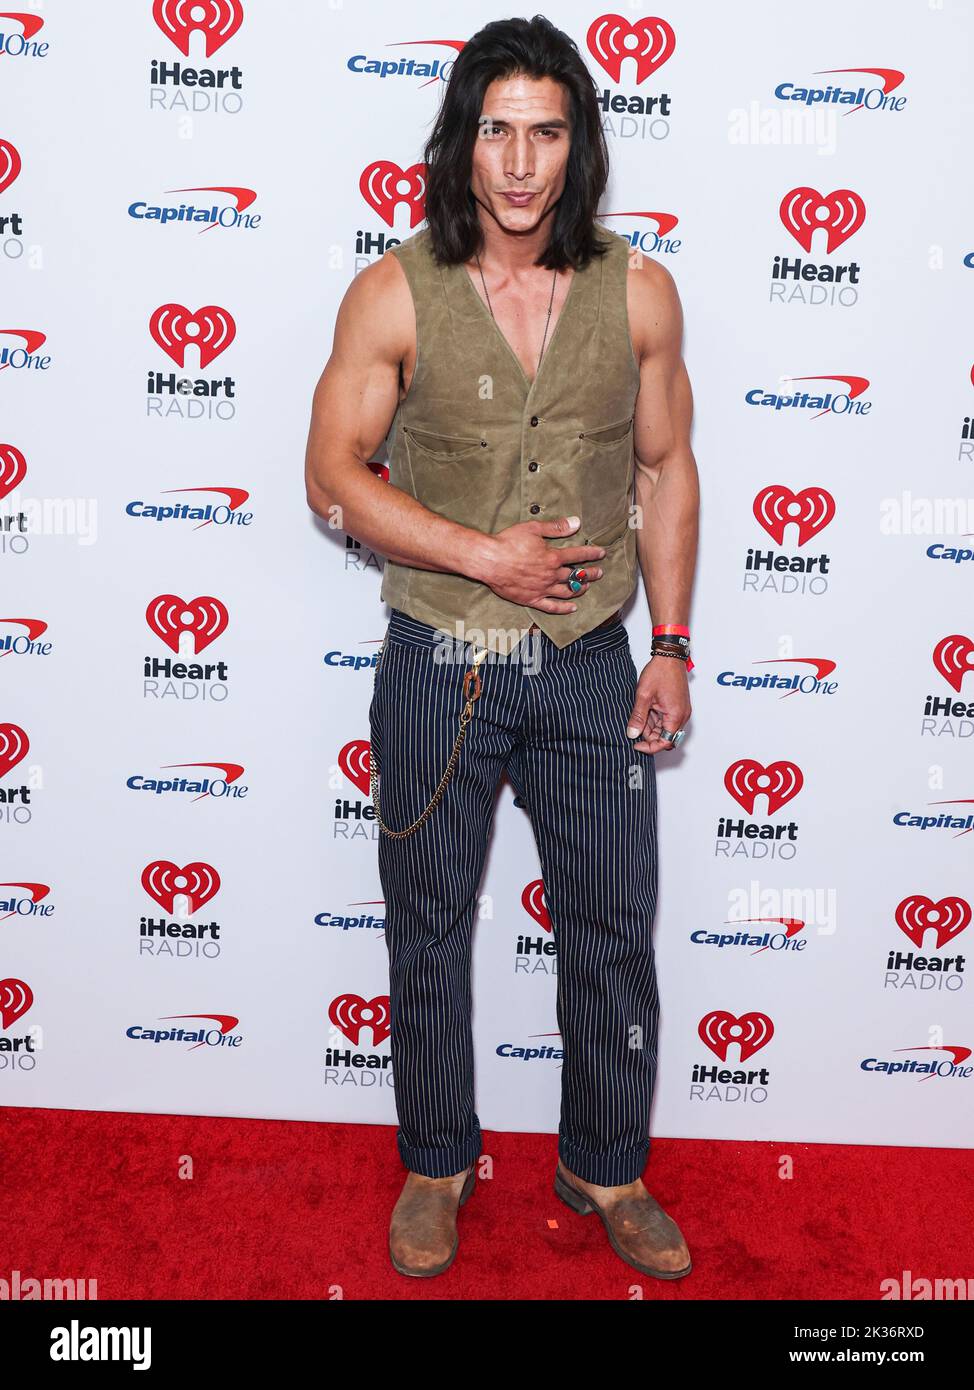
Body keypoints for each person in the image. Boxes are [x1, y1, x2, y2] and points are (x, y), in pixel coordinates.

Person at [305, 14, 699, 1282]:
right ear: (461, 145)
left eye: (544, 131)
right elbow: (328, 478)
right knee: (426, 925)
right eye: (496, 132)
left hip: (591, 657)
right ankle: (435, 1163)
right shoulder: (391, 291)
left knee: (610, 925)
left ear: (577, 143)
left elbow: (665, 466)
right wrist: (484, 558)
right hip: (438, 658)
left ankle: (606, 1164)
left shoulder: (636, 292)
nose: (520, 162)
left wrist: (673, 643)